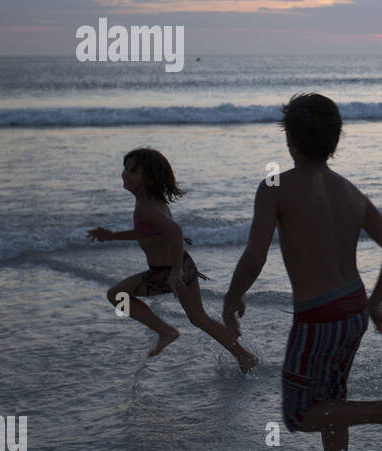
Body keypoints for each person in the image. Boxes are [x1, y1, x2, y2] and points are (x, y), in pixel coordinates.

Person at [222, 93, 382, 451]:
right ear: (336, 140)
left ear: (289, 139)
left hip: (318, 315)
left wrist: (233, 297)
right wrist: (375, 303)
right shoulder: (349, 191)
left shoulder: (275, 186)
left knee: (299, 416)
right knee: (331, 401)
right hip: (352, 309)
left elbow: (255, 254)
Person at [88, 149, 258, 371]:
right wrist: (112, 236)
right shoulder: (150, 202)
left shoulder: (146, 207)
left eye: (134, 171)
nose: (125, 174)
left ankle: (165, 331)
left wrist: (175, 272)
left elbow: (175, 231)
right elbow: (146, 232)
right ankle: (245, 357)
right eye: (125, 168)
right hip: (181, 266)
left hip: (169, 271)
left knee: (117, 295)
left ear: (149, 177)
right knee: (199, 318)